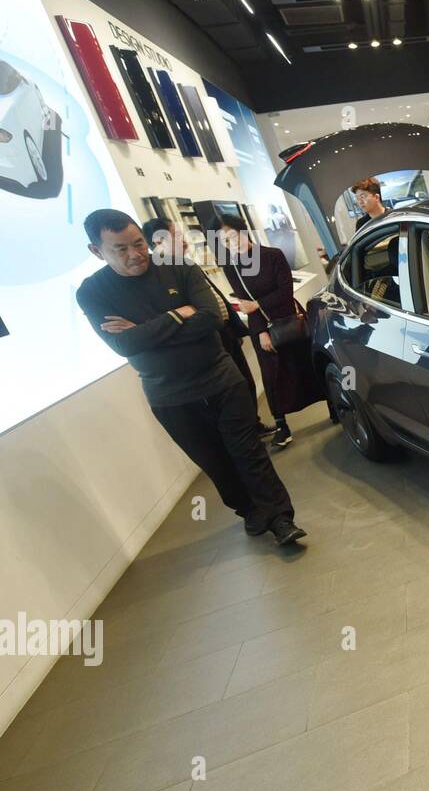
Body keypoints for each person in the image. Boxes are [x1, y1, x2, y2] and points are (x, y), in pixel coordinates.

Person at [76, 209, 305, 546]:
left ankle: (281, 519)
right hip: (170, 398)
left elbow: (211, 317)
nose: (136, 254)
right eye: (120, 249)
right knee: (216, 463)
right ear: (96, 251)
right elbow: (124, 343)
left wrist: (147, 330)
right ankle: (250, 512)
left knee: (248, 451)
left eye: (139, 243)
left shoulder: (179, 267)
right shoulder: (92, 293)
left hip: (221, 378)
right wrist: (178, 314)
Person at [141, 218, 274, 438]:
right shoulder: (164, 275)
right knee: (234, 388)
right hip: (209, 339)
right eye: (175, 235)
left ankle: (253, 426)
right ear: (158, 242)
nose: (183, 239)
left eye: (181, 234)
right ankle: (247, 434)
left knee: (244, 381)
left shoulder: (184, 264)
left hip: (225, 331)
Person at [212, 213, 324, 449]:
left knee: (305, 363)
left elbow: (285, 291)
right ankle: (282, 426)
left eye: (232, 236)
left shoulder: (273, 255)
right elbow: (245, 303)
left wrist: (259, 304)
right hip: (260, 326)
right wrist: (261, 329)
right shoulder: (230, 265)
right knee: (272, 375)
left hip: (289, 318)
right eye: (225, 241)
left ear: (243, 231)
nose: (231, 243)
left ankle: (333, 405)